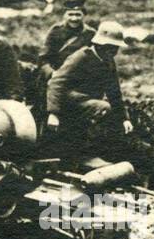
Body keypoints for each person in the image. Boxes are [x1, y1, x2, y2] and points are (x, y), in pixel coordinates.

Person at [46, 21, 134, 158]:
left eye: (116, 48)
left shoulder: (108, 61)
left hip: (87, 102)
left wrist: (124, 118)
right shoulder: (80, 57)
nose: (114, 52)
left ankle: (104, 150)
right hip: (68, 101)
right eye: (111, 47)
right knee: (104, 107)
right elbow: (56, 82)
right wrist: (53, 113)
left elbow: (114, 91)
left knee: (109, 112)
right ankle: (87, 152)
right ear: (100, 45)